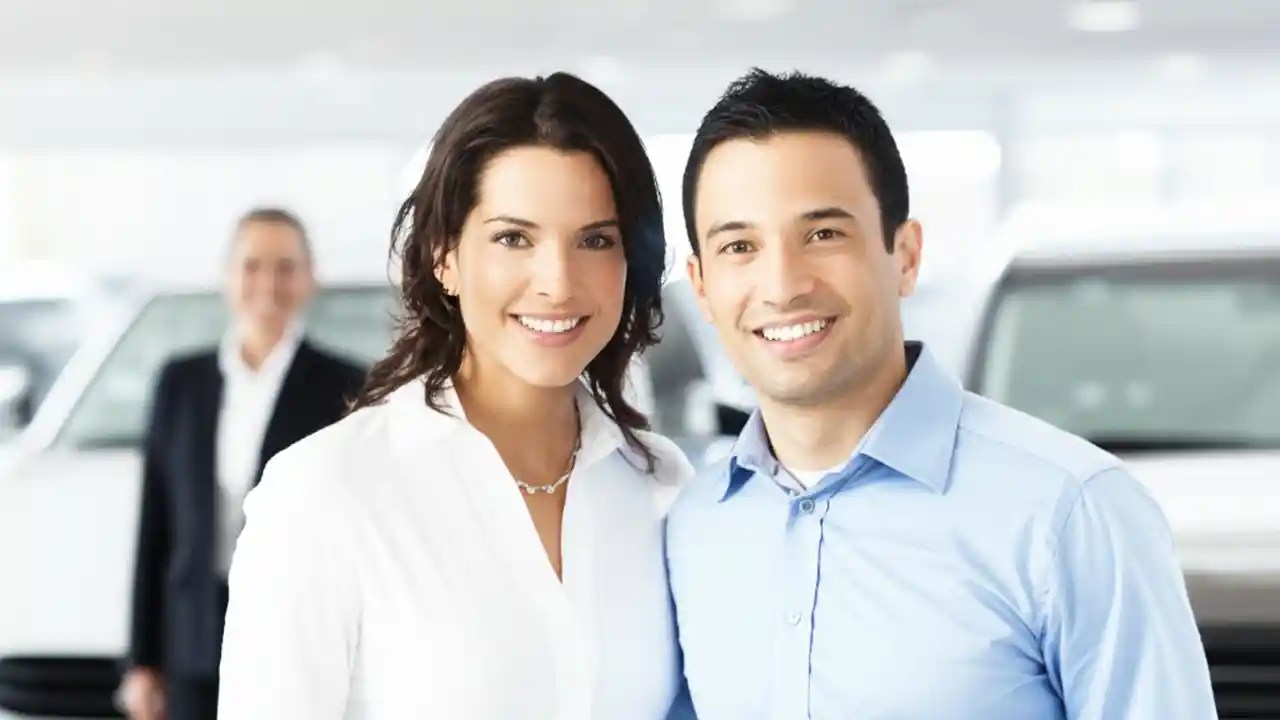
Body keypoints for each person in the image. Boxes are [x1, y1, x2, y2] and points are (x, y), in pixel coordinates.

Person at [665, 68, 1217, 719]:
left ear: (905, 254)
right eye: (740, 246)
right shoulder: (691, 525)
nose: (783, 284)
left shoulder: (1071, 512)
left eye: (823, 234)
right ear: (701, 286)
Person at [216, 72, 692, 719]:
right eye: (513, 238)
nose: (556, 281)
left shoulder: (660, 487)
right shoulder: (325, 491)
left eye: (595, 240)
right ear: (445, 256)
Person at [119, 208, 367, 720]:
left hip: (295, 632)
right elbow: (156, 524)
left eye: (285, 267)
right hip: (191, 635)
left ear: (309, 278)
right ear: (228, 275)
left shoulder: (346, 387)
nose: (267, 283)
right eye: (252, 265)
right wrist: (143, 661)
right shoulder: (181, 384)